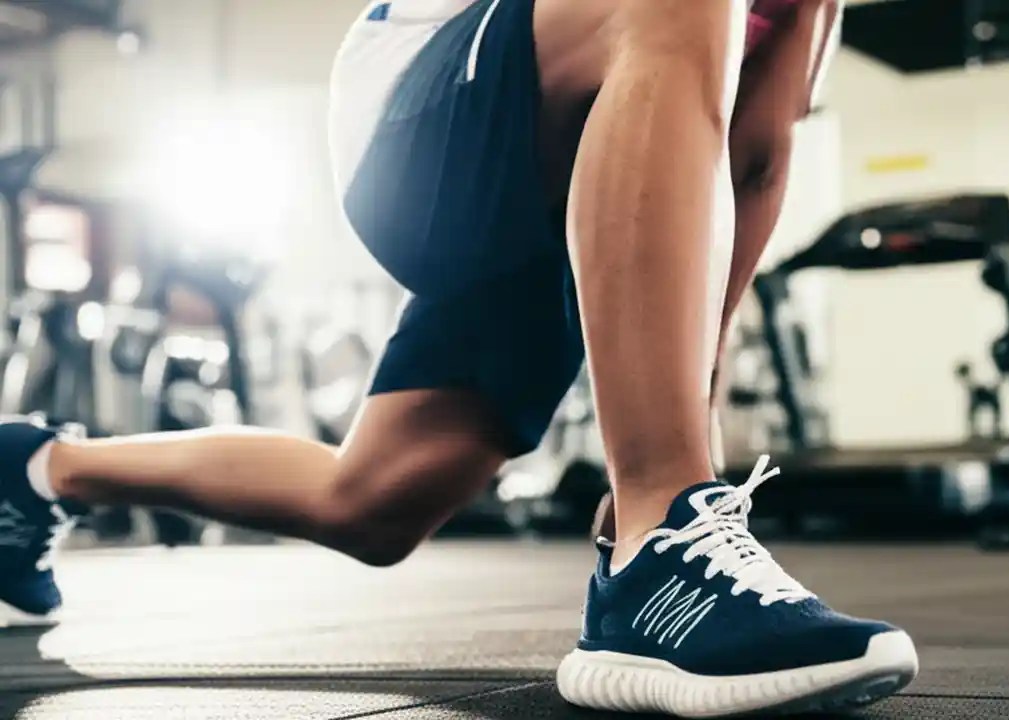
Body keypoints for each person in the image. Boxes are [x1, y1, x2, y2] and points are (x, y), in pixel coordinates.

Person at [0, 0, 918, 715]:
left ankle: (40, 469)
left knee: (374, 502)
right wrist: (664, 486)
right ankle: (654, 559)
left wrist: (696, 432)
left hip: (585, 178)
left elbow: (750, 161)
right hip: (427, 122)